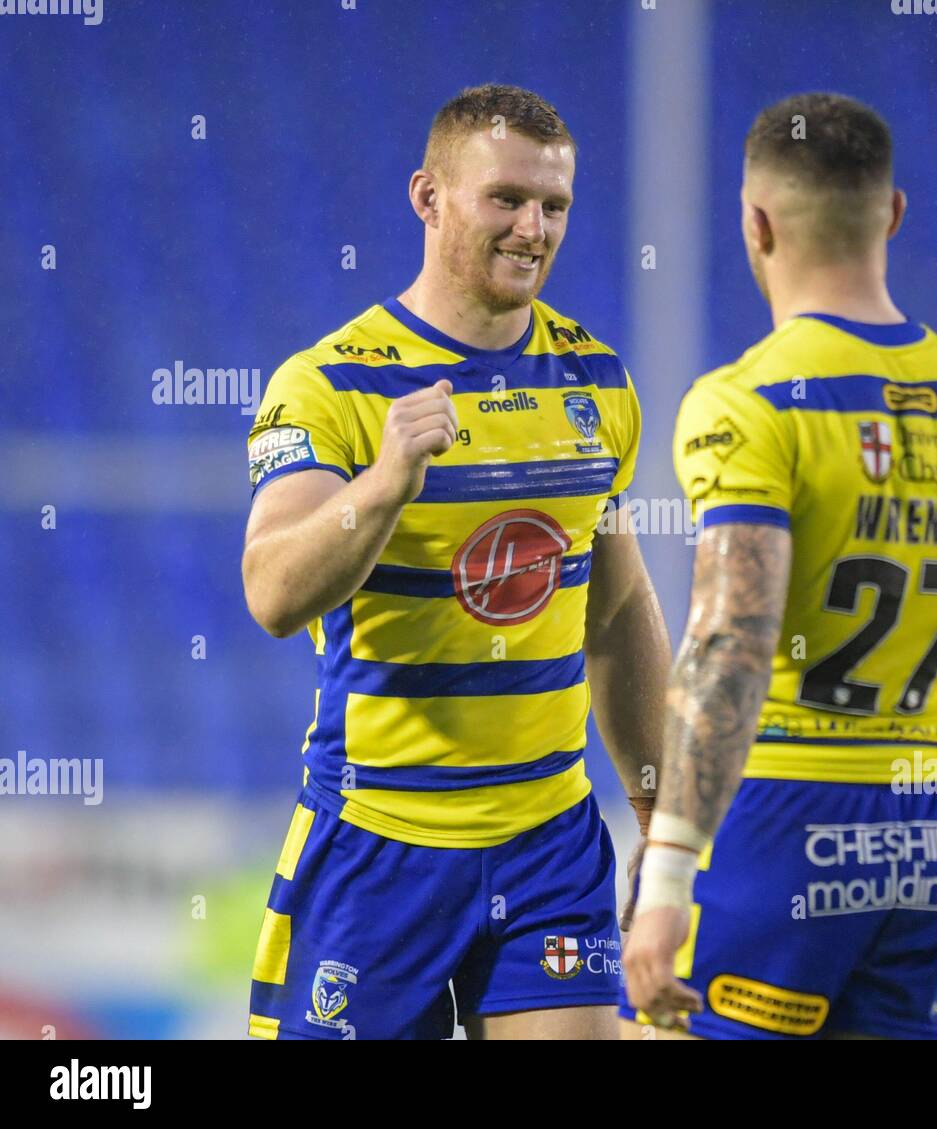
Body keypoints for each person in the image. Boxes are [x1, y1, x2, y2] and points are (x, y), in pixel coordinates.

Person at [621, 92, 937, 1040]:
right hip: (928, 833)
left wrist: (670, 870)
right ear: (892, 215)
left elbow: (734, 640)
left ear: (754, 224)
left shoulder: (749, 403)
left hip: (777, 818)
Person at [242, 83, 668, 1040]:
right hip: (380, 846)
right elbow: (271, 591)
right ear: (428, 197)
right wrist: (383, 483)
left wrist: (663, 819)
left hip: (548, 840)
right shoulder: (328, 383)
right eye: (506, 199)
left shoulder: (596, 380)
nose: (534, 229)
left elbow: (615, 611)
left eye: (555, 205)